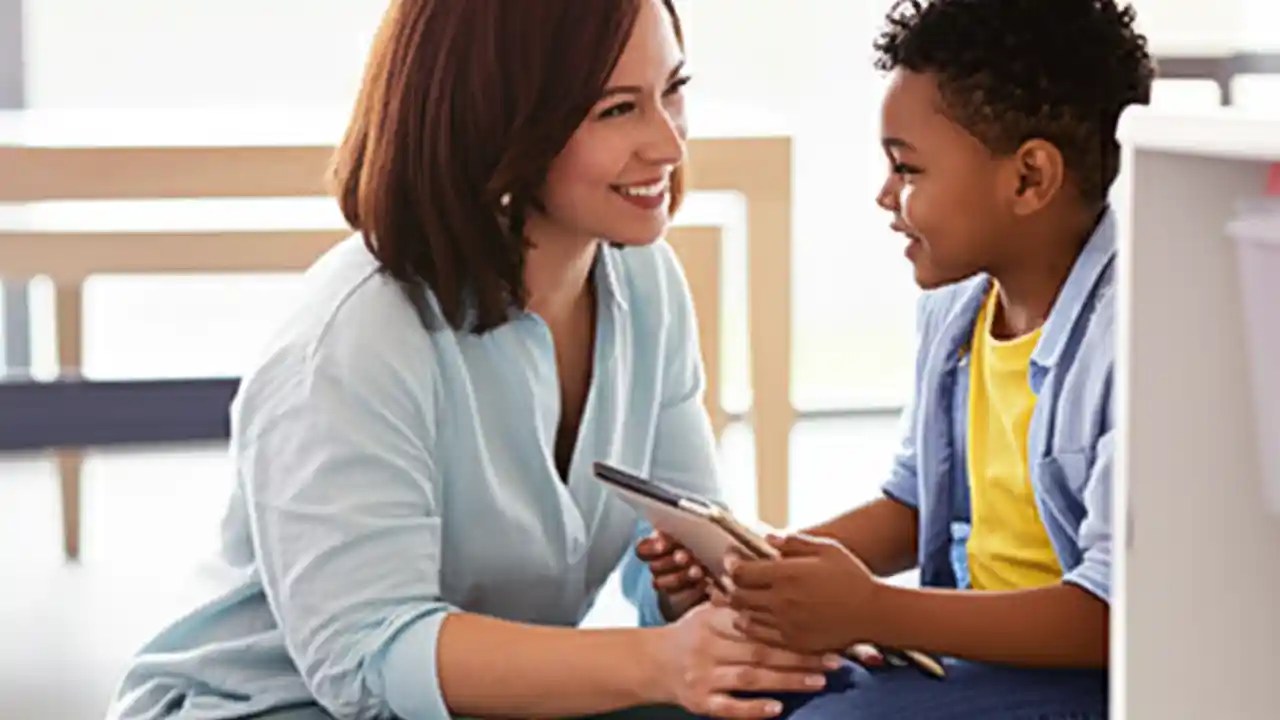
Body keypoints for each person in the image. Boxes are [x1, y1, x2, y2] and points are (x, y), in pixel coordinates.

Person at [106, 1, 837, 718]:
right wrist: (661, 663)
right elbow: (367, 660)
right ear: (504, 120)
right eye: (617, 110)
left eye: (673, 92)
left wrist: (695, 595)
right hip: (268, 704)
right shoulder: (353, 342)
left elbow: (683, 537)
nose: (669, 145)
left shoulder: (645, 282)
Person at [720, 0, 1155, 717]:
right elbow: (912, 504)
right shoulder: (958, 312)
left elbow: (1111, 613)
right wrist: (761, 565)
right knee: (732, 675)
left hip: (1083, 682)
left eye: (907, 168)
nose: (885, 195)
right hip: (957, 651)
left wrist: (873, 609)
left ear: (1028, 180)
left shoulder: (1135, 336)